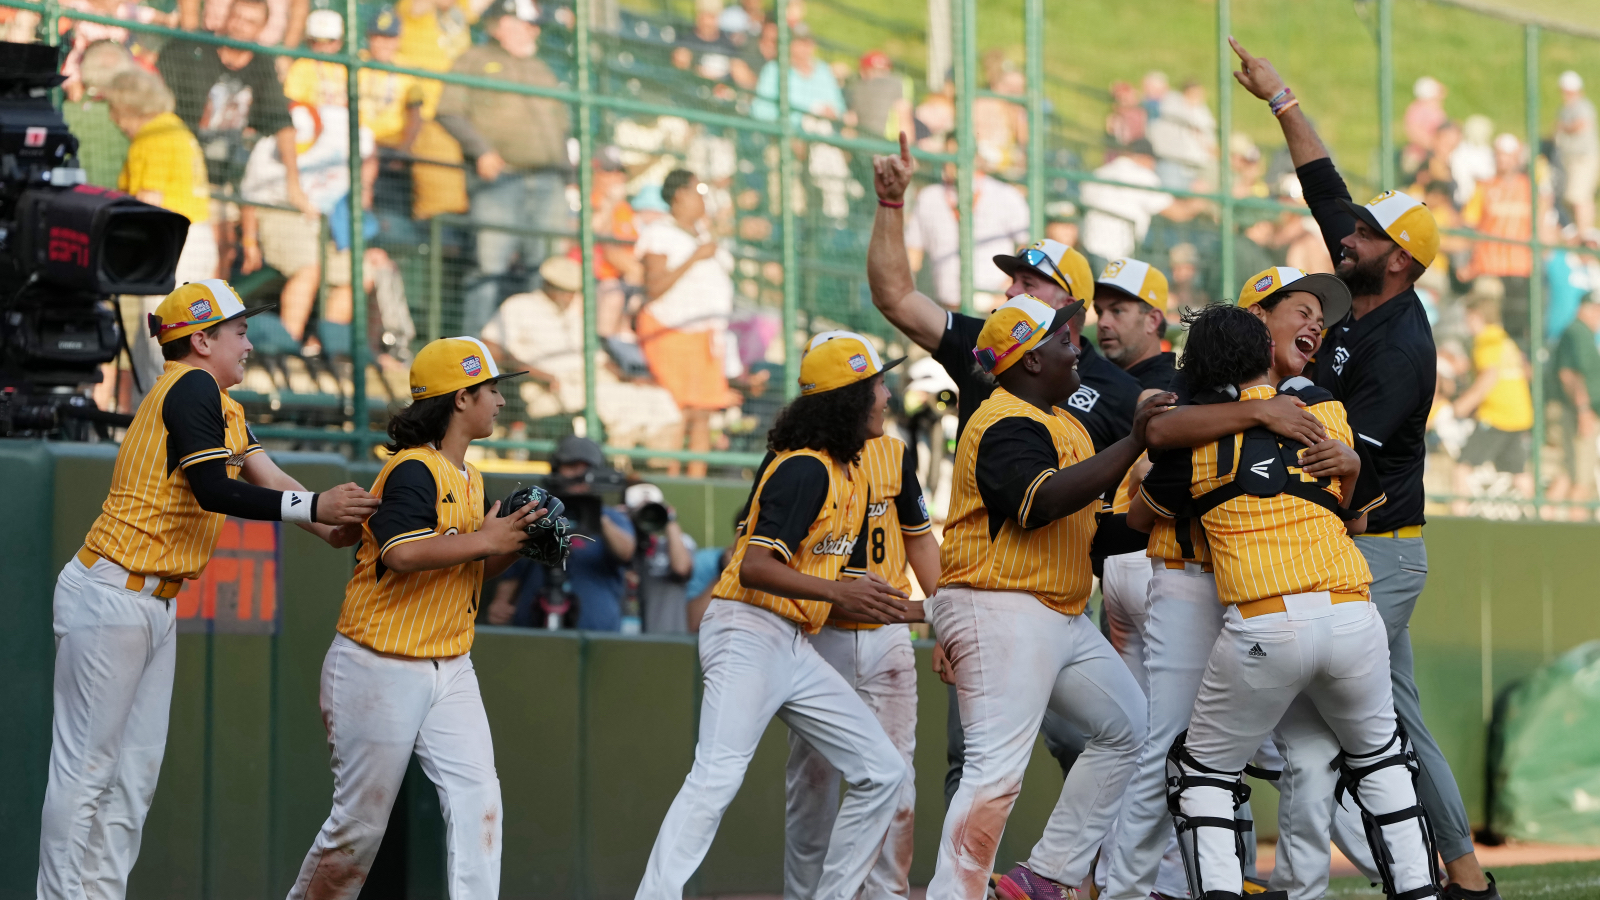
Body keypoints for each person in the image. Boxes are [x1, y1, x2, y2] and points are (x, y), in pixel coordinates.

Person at [1229, 36, 1499, 899]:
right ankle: (1461, 874)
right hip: (1359, 549)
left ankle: (1415, 873)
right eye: (1362, 224)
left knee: (1337, 727)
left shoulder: (1404, 349)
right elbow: (1324, 186)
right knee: (1393, 725)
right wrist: (1282, 100)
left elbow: (1359, 474)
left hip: (1377, 548)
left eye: (1372, 232)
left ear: (1404, 260)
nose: (1352, 233)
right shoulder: (1360, 289)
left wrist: (1277, 420)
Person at [37, 280, 377, 900]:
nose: (249, 343)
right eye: (239, 331)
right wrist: (314, 503)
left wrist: (324, 522)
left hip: (152, 601)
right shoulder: (189, 386)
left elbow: (265, 475)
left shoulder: (222, 403)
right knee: (87, 774)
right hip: (111, 590)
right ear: (201, 339)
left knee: (132, 779)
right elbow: (213, 491)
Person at [870, 133, 1142, 803]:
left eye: (1029, 280)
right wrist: (891, 202)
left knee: (1112, 749)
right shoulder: (986, 349)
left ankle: (1073, 878)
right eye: (1011, 275)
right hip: (988, 591)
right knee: (977, 765)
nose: (1010, 287)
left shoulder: (1117, 392)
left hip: (1069, 598)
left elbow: (1128, 503)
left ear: (1070, 307)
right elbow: (896, 296)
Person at [1132, 304, 1436, 900]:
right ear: (1264, 353)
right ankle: (1421, 890)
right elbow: (1357, 515)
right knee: (1380, 763)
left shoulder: (1192, 439)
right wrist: (1348, 470)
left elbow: (1140, 516)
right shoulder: (1322, 412)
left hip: (1264, 621)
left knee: (1202, 774)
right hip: (1353, 613)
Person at [635, 331, 914, 900]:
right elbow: (758, 567)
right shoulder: (804, 469)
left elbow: (827, 572)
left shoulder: (849, 470)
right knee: (715, 779)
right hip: (746, 628)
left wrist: (914, 606)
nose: (886, 395)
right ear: (849, 399)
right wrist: (839, 595)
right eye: (877, 385)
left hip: (792, 641)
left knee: (881, 772)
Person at [927, 295, 1168, 900]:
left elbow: (1087, 535)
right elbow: (1037, 504)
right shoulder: (1002, 418)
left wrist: (1156, 506)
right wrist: (1135, 441)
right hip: (996, 602)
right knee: (994, 771)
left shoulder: (1067, 426)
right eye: (1062, 341)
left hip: (1055, 610)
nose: (1076, 347)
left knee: (1127, 727)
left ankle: (1048, 874)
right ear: (1030, 361)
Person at [287, 337, 541, 899]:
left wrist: (515, 542)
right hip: (378, 663)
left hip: (449, 663)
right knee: (359, 827)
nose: (500, 400)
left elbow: (469, 569)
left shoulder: (470, 478)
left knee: (480, 800)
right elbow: (399, 553)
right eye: (492, 389)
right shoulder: (412, 470)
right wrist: (484, 538)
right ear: (460, 398)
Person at [783, 431, 939, 900]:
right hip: (818, 630)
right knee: (812, 781)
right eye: (874, 383)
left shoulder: (892, 451)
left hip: (886, 634)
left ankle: (885, 895)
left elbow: (920, 540)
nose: (885, 393)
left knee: (896, 779)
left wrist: (942, 618)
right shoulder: (795, 455)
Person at [440, 0, 572, 336]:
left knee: (544, 273)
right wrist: (481, 150)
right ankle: (471, 359)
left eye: (532, 25)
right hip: (500, 180)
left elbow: (563, 130)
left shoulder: (542, 69)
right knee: (489, 268)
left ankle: (529, 358)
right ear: (500, 25)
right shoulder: (474, 60)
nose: (531, 30)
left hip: (548, 182)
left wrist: (570, 179)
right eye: (522, 23)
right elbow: (448, 110)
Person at [479, 256, 684, 454]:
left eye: (572, 291)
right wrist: (538, 374)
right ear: (547, 284)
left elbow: (599, 359)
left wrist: (630, 378)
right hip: (553, 384)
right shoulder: (520, 305)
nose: (568, 296)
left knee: (659, 398)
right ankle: (616, 462)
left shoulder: (576, 311)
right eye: (563, 290)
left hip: (593, 378)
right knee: (612, 403)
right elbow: (491, 347)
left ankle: (655, 469)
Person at [106, 67, 218, 406]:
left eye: (114, 108)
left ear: (127, 108)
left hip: (171, 246)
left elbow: (148, 203)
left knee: (161, 342)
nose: (113, 118)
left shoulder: (152, 137)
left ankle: (157, 425)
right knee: (178, 340)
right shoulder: (175, 127)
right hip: (197, 238)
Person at [157, 0, 315, 215]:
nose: (240, 26)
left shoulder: (262, 64)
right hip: (175, 167)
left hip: (223, 176)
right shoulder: (191, 49)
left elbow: (281, 121)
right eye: (237, 17)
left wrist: (294, 186)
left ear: (262, 29)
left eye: (249, 22)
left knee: (227, 237)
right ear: (227, 16)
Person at [635, 169, 735, 479]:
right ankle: (672, 482)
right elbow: (653, 286)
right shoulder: (658, 232)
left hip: (705, 335)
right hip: (670, 329)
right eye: (699, 190)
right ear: (680, 194)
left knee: (703, 413)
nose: (703, 197)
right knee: (680, 411)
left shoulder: (703, 234)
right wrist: (694, 257)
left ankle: (696, 481)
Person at [904, 139, 1032, 311]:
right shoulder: (929, 197)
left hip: (997, 307)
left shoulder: (1005, 195)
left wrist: (1005, 291)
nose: (952, 161)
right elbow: (913, 255)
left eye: (958, 155)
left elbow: (1028, 250)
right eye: (948, 155)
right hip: (947, 307)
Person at [1454, 291, 1534, 501]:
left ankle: (1460, 517)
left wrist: (1463, 404)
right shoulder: (1506, 340)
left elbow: (1489, 376)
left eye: (1467, 317)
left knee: (1463, 467)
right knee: (1519, 473)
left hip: (1496, 415)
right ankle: (1541, 515)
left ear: (1476, 316)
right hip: (1519, 414)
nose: (1466, 323)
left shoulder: (1486, 341)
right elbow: (1526, 371)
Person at [1460, 134, 1537, 346]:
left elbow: (1541, 228)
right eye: (1500, 155)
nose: (1503, 160)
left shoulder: (1530, 189)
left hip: (1520, 269)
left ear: (1518, 158)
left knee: (1517, 331)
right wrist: (1466, 263)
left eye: (1508, 156)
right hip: (1489, 268)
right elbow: (1468, 225)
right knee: (1488, 327)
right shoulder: (1484, 187)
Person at [1091, 257, 1174, 390]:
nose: (1102, 323)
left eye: (1117, 311)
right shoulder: (1099, 377)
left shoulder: (1162, 395)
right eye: (1099, 311)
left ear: (1153, 320)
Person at [626, 483, 696, 634]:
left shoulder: (674, 544)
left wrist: (669, 519)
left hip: (666, 640)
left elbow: (682, 568)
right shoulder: (620, 547)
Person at [1553, 295, 1600, 516]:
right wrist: (1583, 411)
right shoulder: (1578, 332)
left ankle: (1543, 521)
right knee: (1581, 481)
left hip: (1582, 411)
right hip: (1581, 412)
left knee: (1568, 474)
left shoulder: (1584, 333)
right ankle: (1573, 535)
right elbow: (1570, 374)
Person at [752, 23, 843, 124]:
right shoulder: (774, 70)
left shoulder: (823, 71)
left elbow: (839, 107)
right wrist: (801, 117)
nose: (806, 47)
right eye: (800, 42)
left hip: (826, 133)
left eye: (808, 42)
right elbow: (760, 110)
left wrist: (832, 113)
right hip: (789, 133)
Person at [1557, 71, 1599, 234]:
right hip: (1572, 158)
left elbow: (1582, 124)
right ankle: (1580, 231)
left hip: (1583, 158)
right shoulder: (1567, 107)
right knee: (1570, 197)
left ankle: (1585, 234)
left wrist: (1564, 128)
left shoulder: (1582, 106)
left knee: (1578, 197)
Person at [847, 50, 911, 142]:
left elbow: (904, 119)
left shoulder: (895, 84)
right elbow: (851, 119)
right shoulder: (858, 87)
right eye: (875, 71)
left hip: (887, 143)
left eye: (883, 71)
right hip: (869, 142)